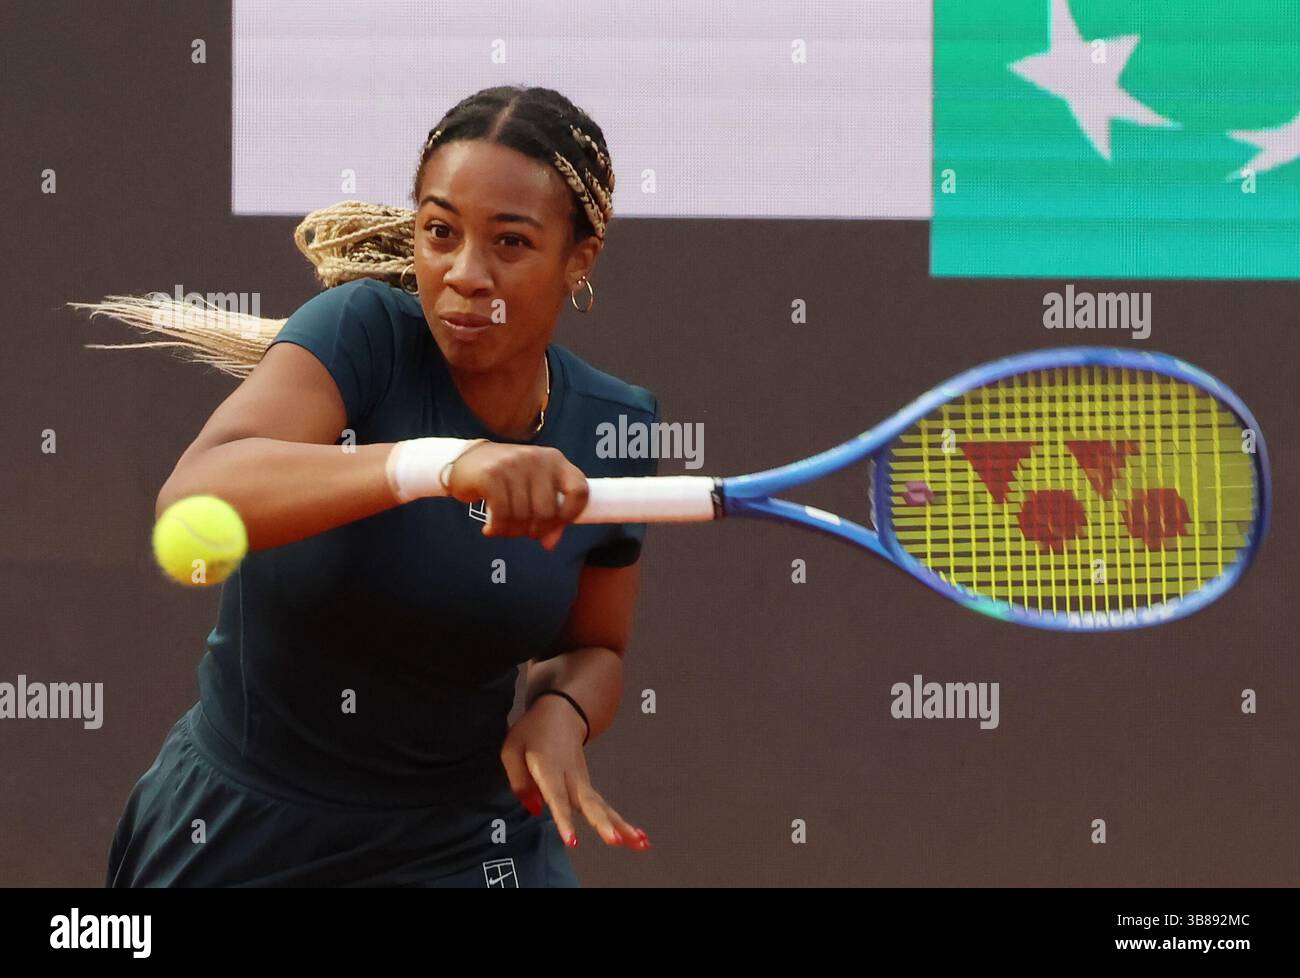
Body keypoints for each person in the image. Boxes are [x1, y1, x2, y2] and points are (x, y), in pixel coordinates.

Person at [101, 85, 658, 887]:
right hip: (243, 834)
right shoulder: (358, 332)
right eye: (440, 232)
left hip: (462, 841)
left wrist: (561, 713)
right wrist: (437, 463)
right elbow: (193, 497)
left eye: (510, 243)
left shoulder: (613, 426)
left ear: (580, 259)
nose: (464, 274)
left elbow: (590, 648)